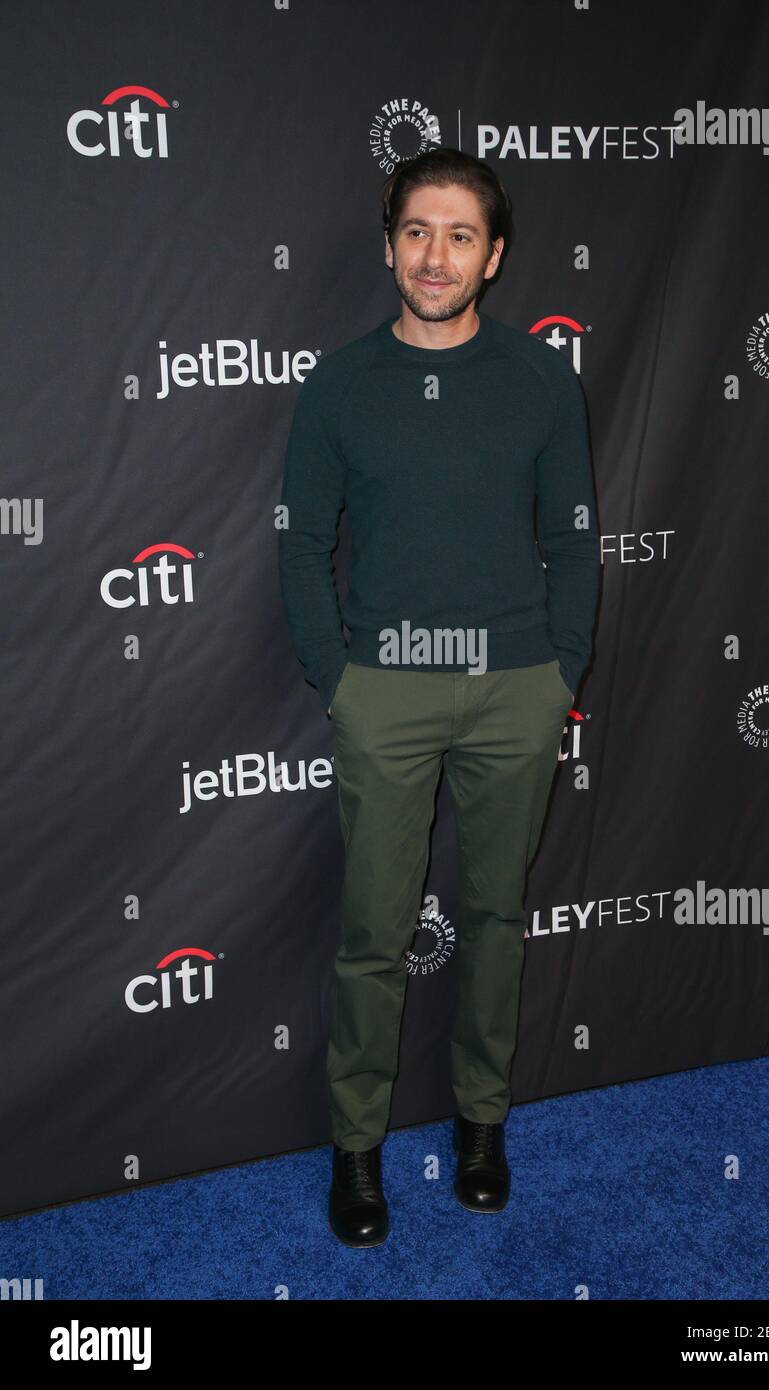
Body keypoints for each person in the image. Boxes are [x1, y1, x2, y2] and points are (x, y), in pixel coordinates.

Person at [278, 146, 600, 1247]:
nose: (435, 253)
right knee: (371, 933)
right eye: (417, 230)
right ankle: (356, 1150)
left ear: (493, 256)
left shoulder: (540, 380)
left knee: (494, 922)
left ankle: (479, 1127)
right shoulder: (337, 384)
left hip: (516, 688)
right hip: (385, 694)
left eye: (460, 234)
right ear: (387, 245)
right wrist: (339, 682)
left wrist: (560, 667)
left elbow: (572, 540)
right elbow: (301, 545)